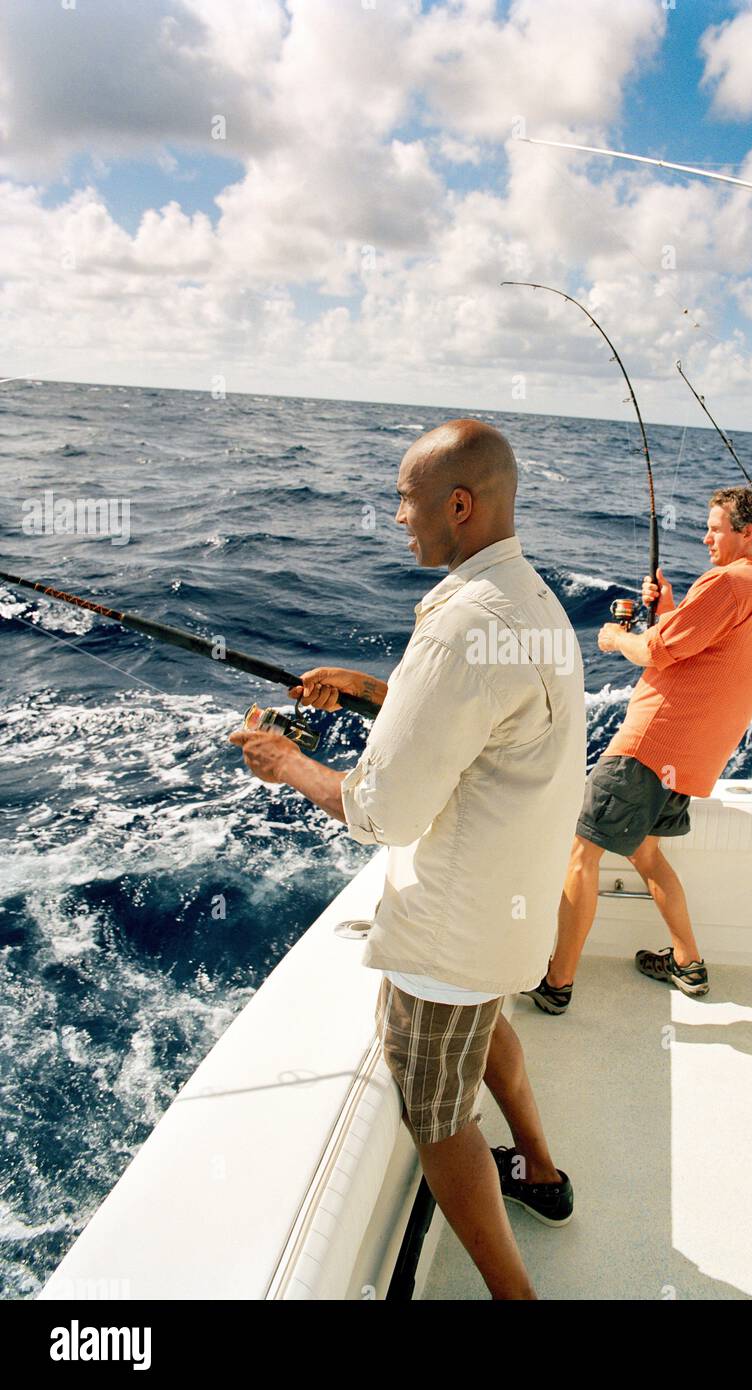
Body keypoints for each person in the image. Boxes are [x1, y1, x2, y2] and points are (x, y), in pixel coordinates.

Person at [230, 419, 586, 1300]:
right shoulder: (531, 602)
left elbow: (379, 812)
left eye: (405, 499)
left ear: (457, 505)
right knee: (487, 1027)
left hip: (453, 931)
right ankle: (540, 1167)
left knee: (437, 1114)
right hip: (512, 908)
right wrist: (375, 690)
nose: (397, 518)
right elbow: (488, 720)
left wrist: (286, 762)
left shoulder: (463, 623)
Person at [524, 485, 752, 1014]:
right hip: (686, 761)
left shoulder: (729, 581)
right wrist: (667, 607)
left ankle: (557, 983)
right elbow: (695, 646)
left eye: (715, 527)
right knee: (645, 853)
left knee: (581, 853)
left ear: (746, 533)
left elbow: (657, 652)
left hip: (649, 744)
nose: (706, 536)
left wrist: (616, 636)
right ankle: (688, 962)